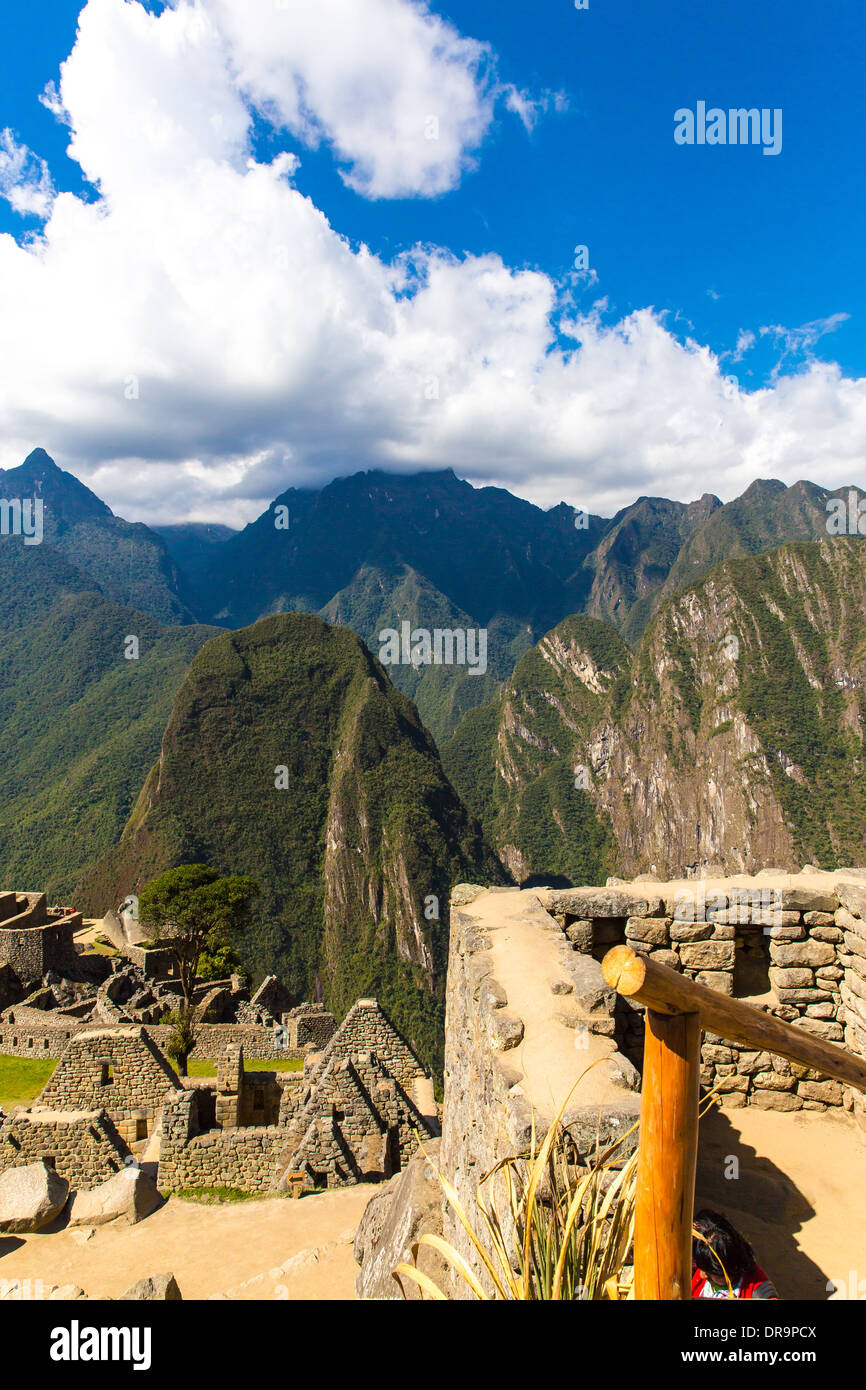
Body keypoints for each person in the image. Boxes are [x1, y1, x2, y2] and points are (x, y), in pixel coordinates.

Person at [691, 1209, 778, 1299]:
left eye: (712, 1273)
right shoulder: (697, 1266)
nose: (702, 1275)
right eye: (702, 1268)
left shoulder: (758, 1292)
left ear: (730, 1270)